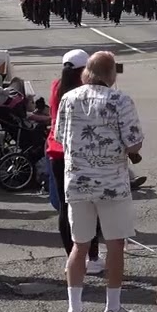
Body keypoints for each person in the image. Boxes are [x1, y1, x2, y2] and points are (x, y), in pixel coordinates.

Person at [56, 51, 145, 312]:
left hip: (77, 182)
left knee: (80, 246)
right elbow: (134, 143)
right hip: (111, 184)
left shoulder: (68, 98)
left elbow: (59, 136)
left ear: (86, 73)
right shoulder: (120, 100)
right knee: (115, 244)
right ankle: (113, 308)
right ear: (111, 75)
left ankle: (75, 311)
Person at [48, 50, 103, 275]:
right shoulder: (86, 93)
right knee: (91, 206)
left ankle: (72, 258)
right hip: (82, 154)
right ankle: (92, 256)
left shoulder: (56, 86)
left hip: (57, 151)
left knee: (65, 206)